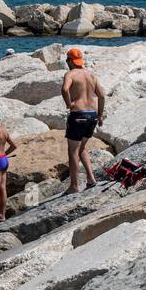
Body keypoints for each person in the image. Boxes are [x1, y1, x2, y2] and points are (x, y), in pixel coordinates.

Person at [61, 47, 105, 194]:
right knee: (82, 148)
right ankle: (91, 179)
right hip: (92, 115)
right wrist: (100, 115)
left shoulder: (70, 74)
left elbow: (65, 89)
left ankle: (74, 186)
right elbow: (102, 95)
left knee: (73, 151)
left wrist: (69, 104)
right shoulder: (91, 75)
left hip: (78, 114)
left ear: (69, 61)